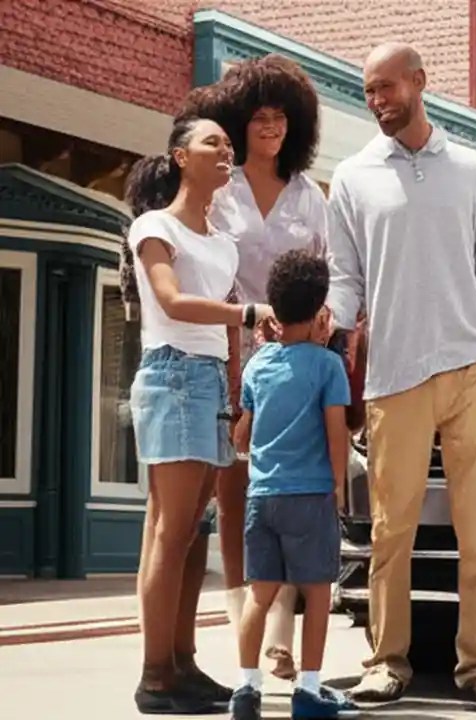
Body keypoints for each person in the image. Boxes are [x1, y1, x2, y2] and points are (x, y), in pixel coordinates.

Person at [324, 43, 476, 715]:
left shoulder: (474, 170)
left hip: (469, 367)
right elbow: (346, 278)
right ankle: (386, 662)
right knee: (391, 530)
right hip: (393, 374)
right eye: (368, 92)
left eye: (386, 87)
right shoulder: (353, 177)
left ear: (419, 81)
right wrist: (331, 344)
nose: (377, 100)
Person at [122, 112, 276, 714]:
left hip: (210, 382)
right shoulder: (154, 227)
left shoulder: (220, 243)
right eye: (213, 142)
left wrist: (238, 397)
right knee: (168, 527)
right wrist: (247, 313)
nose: (226, 151)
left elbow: (226, 329)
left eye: (228, 145)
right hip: (171, 373)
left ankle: (181, 663)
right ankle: (156, 674)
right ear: (181, 157)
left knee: (191, 533)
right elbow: (172, 301)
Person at [203, 53, 329, 681]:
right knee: (237, 499)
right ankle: (242, 624)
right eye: (259, 116)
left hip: (298, 365)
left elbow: (330, 279)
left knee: (295, 492)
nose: (271, 126)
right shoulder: (216, 192)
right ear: (238, 122)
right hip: (230, 356)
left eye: (282, 116)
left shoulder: (311, 196)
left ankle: (279, 635)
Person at [229, 249, 354, 720]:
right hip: (310, 493)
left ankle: (246, 689)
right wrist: (338, 486)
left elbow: (245, 430)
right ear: (321, 306)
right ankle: (309, 691)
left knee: (259, 593)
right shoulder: (327, 368)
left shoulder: (259, 365)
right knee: (318, 591)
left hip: (262, 495)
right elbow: (335, 431)